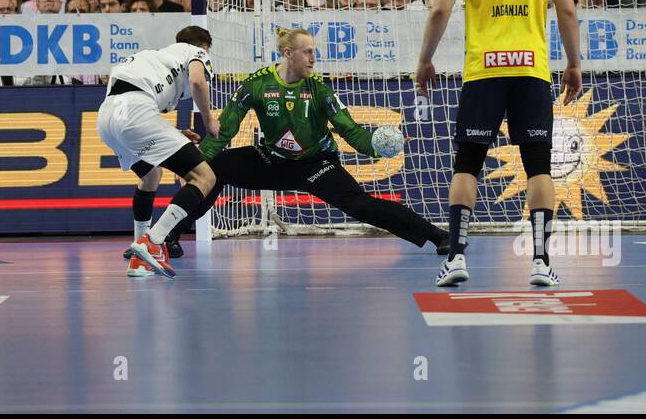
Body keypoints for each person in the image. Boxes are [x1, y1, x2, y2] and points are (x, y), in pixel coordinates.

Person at [415, 0, 583, 288]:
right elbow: (567, 12)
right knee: (538, 167)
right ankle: (541, 262)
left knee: (467, 163)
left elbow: (440, 10)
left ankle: (455, 256)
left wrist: (424, 60)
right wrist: (574, 63)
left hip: (484, 71)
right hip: (530, 70)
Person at [169, 27, 449, 260]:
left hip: (317, 165)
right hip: (271, 161)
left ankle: (438, 237)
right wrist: (198, 165)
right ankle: (169, 236)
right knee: (212, 171)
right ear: (288, 53)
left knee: (362, 206)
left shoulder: (319, 91)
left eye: (315, 52)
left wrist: (377, 145)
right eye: (308, 52)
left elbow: (352, 132)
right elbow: (224, 130)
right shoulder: (257, 84)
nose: (314, 59)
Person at [108, 27, 221, 277]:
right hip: (137, 114)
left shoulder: (153, 57)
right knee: (205, 177)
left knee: (150, 176)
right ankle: (154, 240)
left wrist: (177, 133)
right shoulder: (196, 52)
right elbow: (197, 81)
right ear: (204, 47)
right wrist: (209, 120)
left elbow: (134, 106)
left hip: (108, 119)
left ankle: (139, 258)